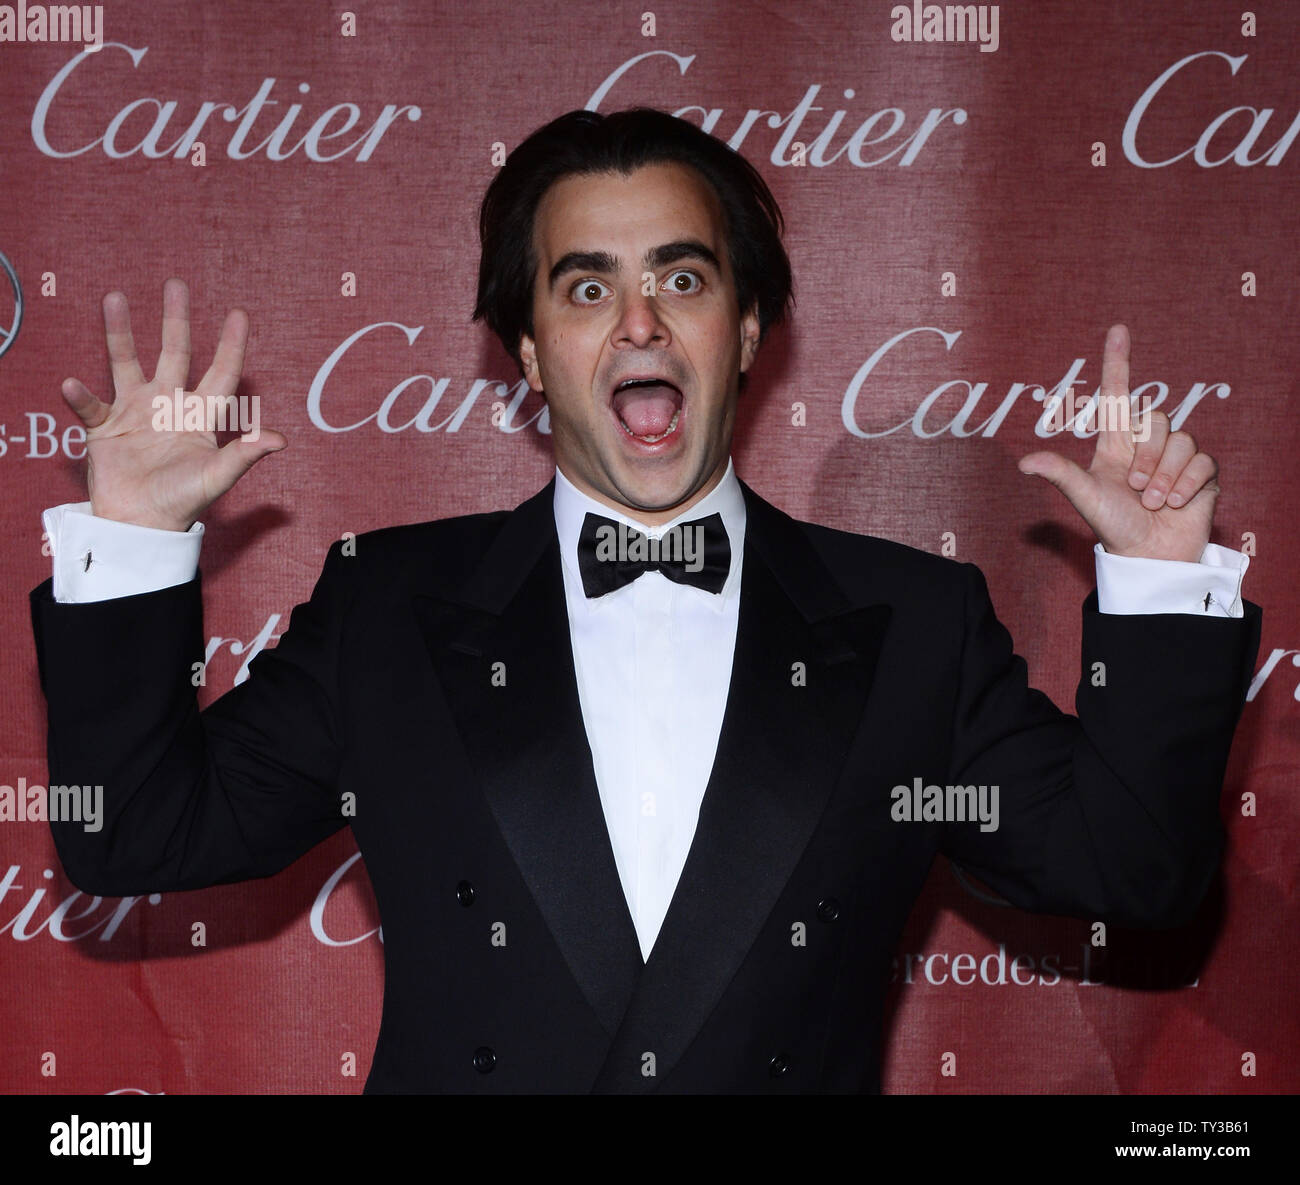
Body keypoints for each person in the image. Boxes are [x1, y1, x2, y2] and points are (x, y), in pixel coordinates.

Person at [30, 107, 1261, 1094]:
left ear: (746, 328)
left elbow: (1135, 874)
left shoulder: (914, 625)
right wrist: (136, 541)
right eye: (582, 289)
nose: (637, 322)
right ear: (524, 352)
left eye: (682, 277)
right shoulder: (387, 606)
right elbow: (136, 834)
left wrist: (1154, 585)